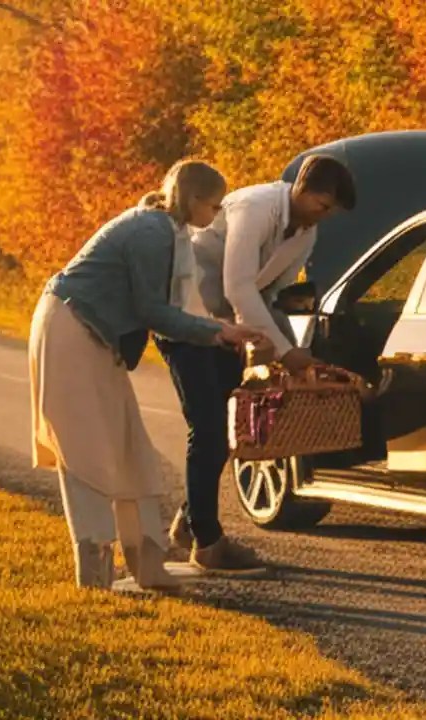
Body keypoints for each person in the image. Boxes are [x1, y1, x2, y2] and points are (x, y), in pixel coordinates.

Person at [28, 160, 265, 593]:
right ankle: (95, 575)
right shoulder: (151, 233)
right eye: (213, 207)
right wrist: (221, 331)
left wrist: (218, 330)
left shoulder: (169, 232)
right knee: (87, 454)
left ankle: (148, 568)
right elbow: (154, 313)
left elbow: (164, 310)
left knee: (130, 449)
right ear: (193, 199)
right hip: (70, 329)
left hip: (96, 337)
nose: (215, 217)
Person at [159, 154, 356, 571]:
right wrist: (285, 351)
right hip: (186, 316)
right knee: (208, 429)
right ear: (302, 189)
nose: (323, 217)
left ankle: (189, 522)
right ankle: (208, 545)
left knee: (229, 431)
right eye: (322, 205)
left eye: (331, 213)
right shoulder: (256, 207)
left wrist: (290, 351)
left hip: (228, 327)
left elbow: (267, 297)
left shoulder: (306, 233)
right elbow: (238, 284)